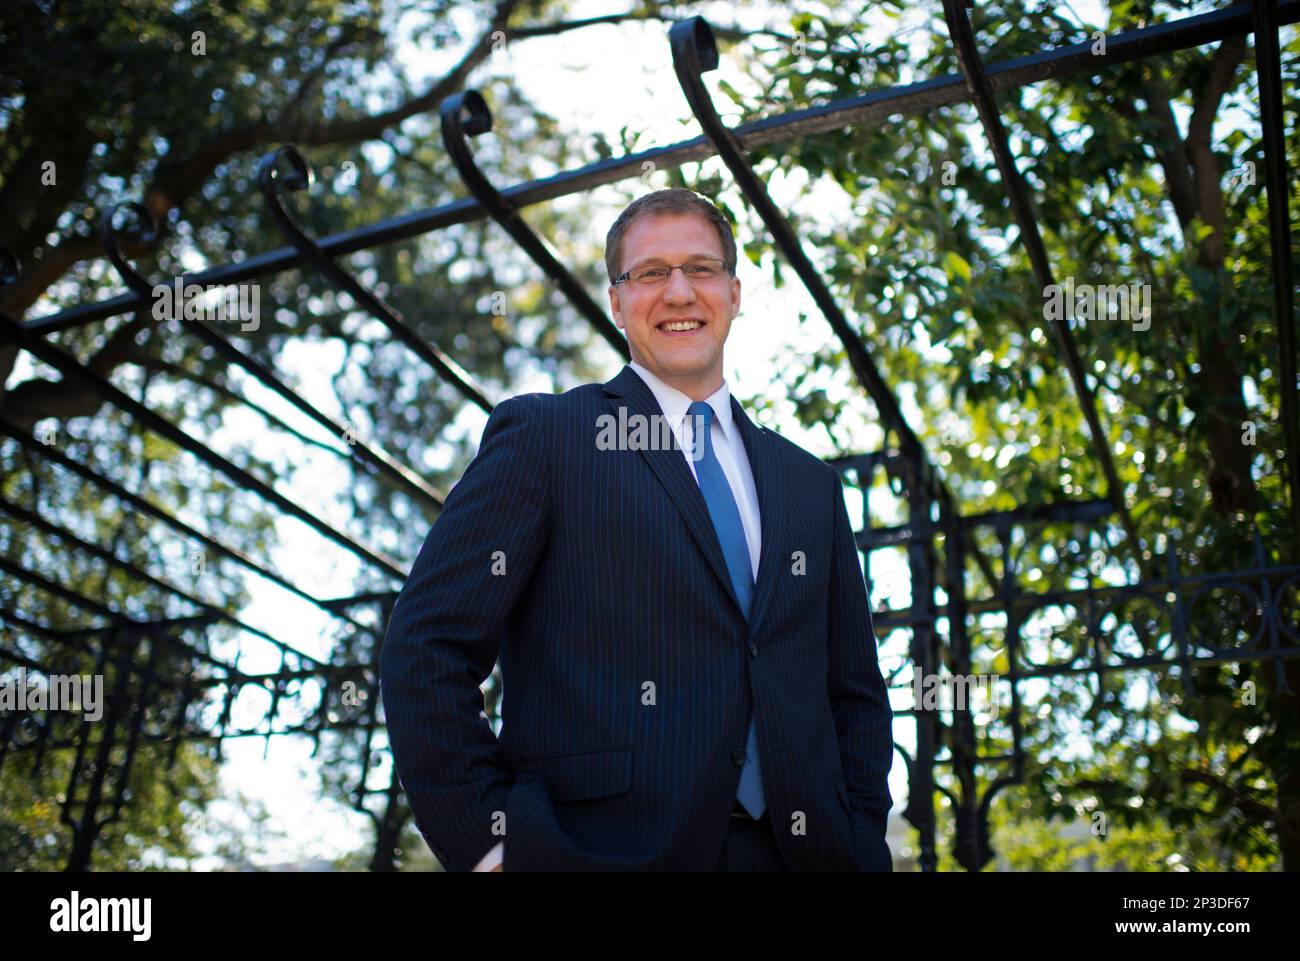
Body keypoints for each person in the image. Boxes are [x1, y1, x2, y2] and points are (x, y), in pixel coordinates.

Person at [379, 188, 893, 871]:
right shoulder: (548, 436)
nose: (679, 292)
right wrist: (491, 846)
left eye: (701, 269)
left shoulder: (811, 485)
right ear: (617, 301)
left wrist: (861, 848)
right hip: (597, 853)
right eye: (651, 273)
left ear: (735, 293)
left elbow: (854, 695)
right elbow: (425, 645)